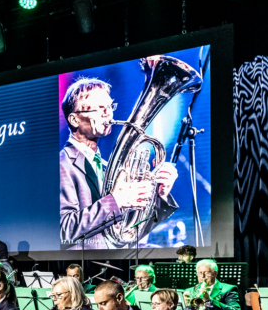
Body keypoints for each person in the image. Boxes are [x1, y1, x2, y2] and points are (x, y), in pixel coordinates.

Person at [58, 78, 178, 249]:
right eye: (99, 108)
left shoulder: (108, 167)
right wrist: (116, 200)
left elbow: (131, 234)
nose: (108, 113)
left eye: (109, 107)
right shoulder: (62, 164)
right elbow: (63, 231)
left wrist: (160, 195)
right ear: (74, 120)